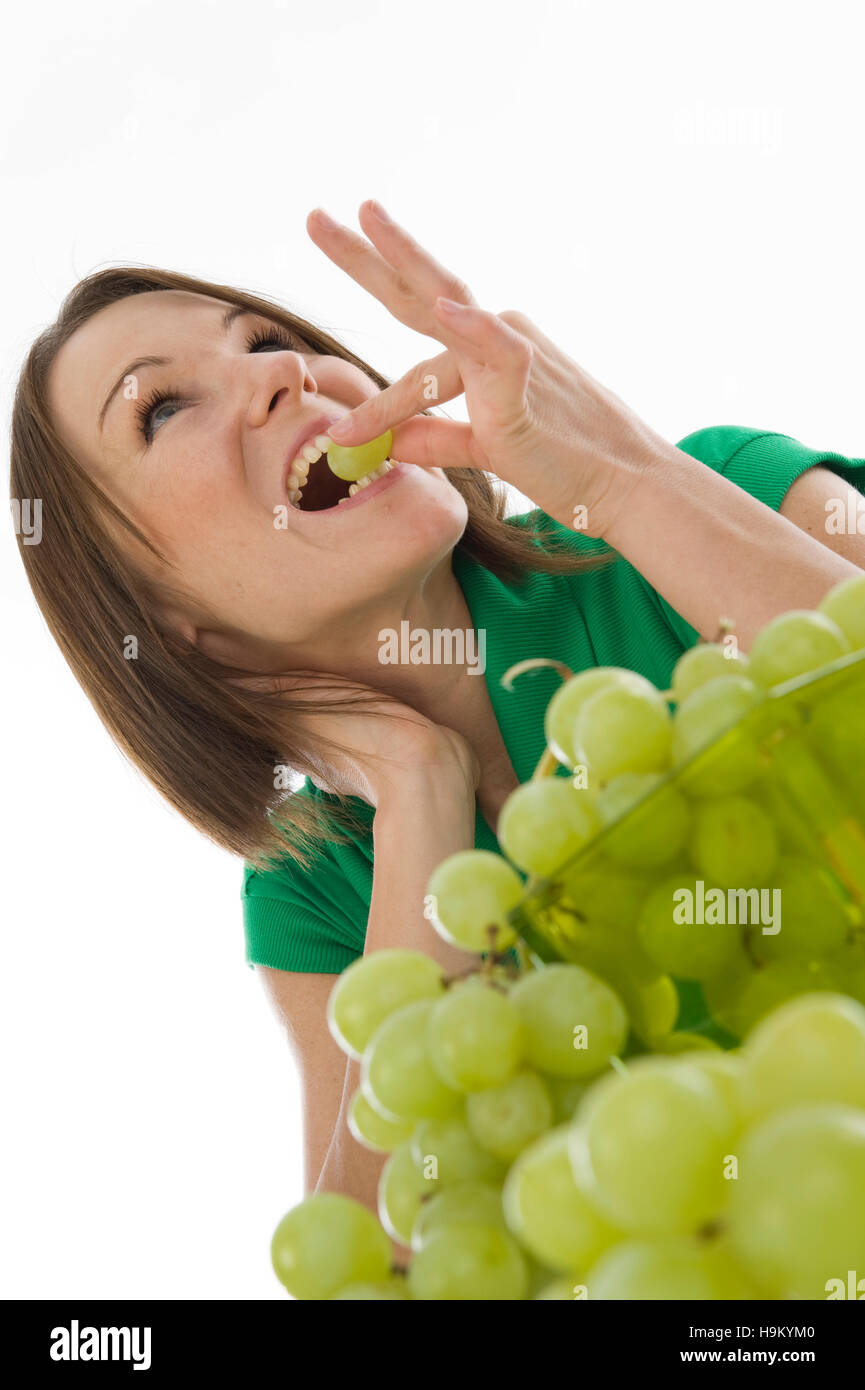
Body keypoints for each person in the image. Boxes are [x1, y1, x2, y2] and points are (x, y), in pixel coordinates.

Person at [11, 200, 865, 1221]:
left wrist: (615, 478)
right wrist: (417, 780)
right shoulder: (316, 893)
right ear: (161, 618)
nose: (281, 372)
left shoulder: (726, 492)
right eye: (160, 409)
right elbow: (393, 1271)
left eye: (268, 340)